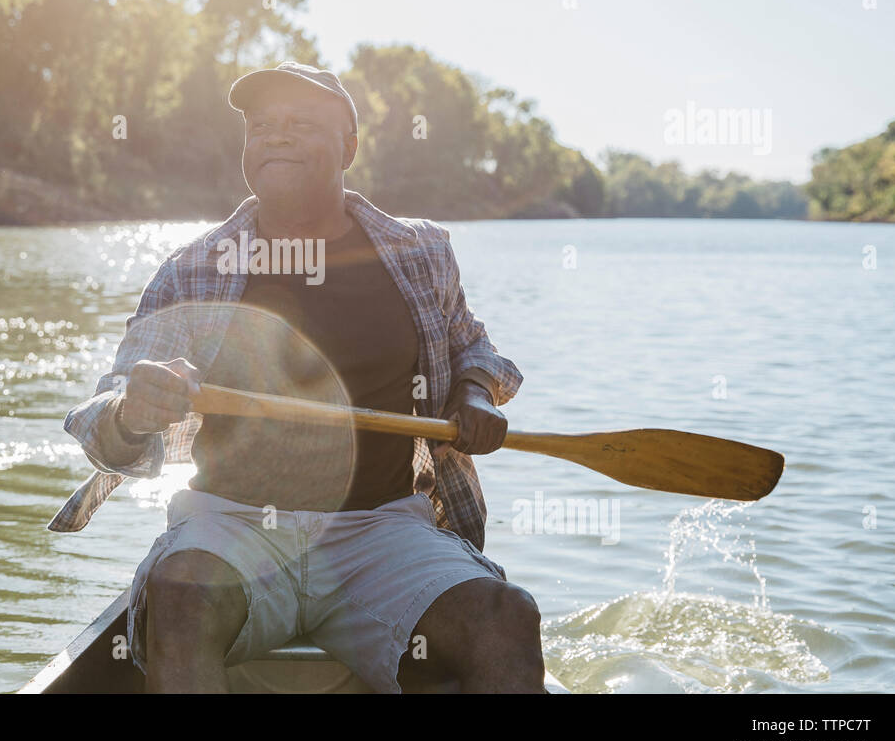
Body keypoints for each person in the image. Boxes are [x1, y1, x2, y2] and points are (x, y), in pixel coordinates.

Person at [52, 62, 543, 692]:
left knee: (507, 617)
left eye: (300, 124)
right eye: (260, 127)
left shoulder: (419, 253)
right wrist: (132, 411)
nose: (275, 138)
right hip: (232, 525)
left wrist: (475, 394)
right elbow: (106, 421)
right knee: (179, 599)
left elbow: (476, 349)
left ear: (350, 146)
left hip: (383, 530)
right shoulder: (195, 266)